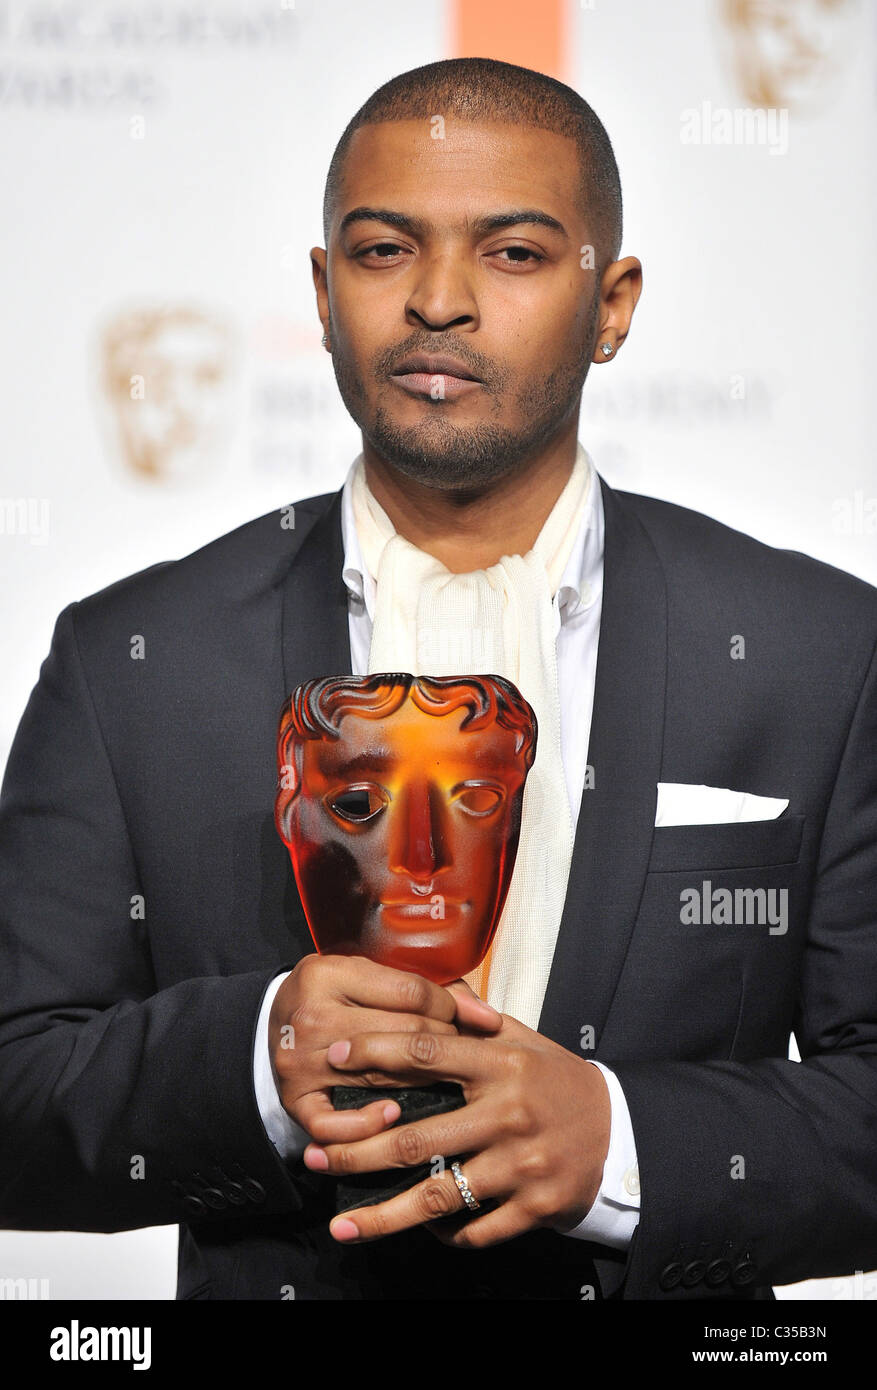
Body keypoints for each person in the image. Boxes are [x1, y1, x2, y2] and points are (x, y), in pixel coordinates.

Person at [1, 57, 875, 1302]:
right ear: (320, 290)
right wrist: (256, 1059)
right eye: (381, 251)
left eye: (513, 253)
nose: (438, 302)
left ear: (612, 303)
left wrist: (621, 1138)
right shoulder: (133, 658)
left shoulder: (818, 649)